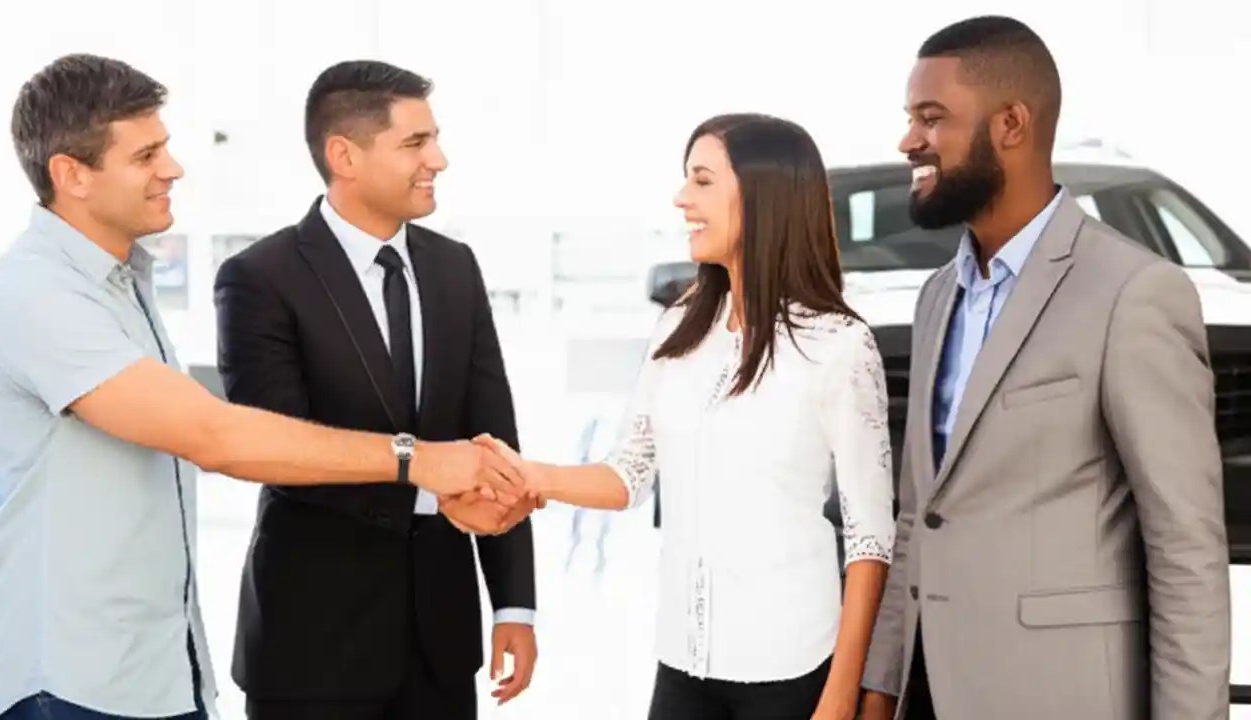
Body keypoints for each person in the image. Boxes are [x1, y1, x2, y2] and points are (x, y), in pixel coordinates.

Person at [0, 54, 523, 720]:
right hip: (68, 683)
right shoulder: (37, 295)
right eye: (146, 155)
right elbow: (216, 433)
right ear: (71, 175)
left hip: (152, 672)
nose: (172, 169)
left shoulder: (121, 288)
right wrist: (418, 461)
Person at [858, 16, 1230, 720]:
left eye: (931, 118)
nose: (909, 140)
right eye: (910, 118)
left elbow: (1186, 552)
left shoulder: (1132, 292)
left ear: (1011, 124)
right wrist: (881, 688)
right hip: (930, 693)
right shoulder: (938, 297)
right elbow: (920, 517)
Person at [485, 113, 896, 720]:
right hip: (683, 661)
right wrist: (530, 476)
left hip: (790, 667)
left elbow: (869, 535)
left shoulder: (839, 345)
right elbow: (629, 472)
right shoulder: (678, 328)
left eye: (701, 180)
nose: (682, 199)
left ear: (762, 196)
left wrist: (842, 694)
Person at [213, 60, 538, 720]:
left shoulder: (455, 267)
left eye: (435, 138)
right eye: (416, 143)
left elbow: (493, 437)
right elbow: (278, 452)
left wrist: (513, 601)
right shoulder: (260, 278)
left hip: (441, 643)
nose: (439, 160)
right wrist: (425, 477)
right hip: (312, 647)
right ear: (345, 155)